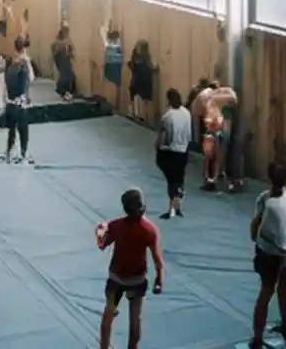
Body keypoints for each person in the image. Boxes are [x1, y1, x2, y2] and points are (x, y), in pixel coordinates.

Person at [96, 188, 164, 349]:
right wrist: (159, 279)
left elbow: (101, 244)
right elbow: (157, 259)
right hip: (137, 278)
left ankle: (104, 347)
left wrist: (99, 230)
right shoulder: (149, 230)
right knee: (135, 319)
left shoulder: (116, 226)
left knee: (109, 313)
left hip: (116, 277)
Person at [249, 162, 286, 347]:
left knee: (283, 284)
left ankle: (285, 324)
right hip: (270, 256)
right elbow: (255, 229)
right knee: (267, 291)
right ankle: (257, 338)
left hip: (281, 253)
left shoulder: (284, 198)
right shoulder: (269, 203)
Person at [194, 82, 239, 191]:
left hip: (215, 128)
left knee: (209, 155)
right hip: (225, 128)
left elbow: (200, 112)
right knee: (220, 154)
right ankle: (215, 177)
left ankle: (208, 178)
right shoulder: (227, 96)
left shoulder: (209, 98)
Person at [155, 88, 192, 219]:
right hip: (184, 149)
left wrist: (159, 147)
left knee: (172, 181)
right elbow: (189, 133)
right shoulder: (187, 113)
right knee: (179, 178)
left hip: (172, 151)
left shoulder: (168, 116)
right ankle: (177, 205)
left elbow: (166, 136)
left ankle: (172, 207)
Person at [3, 37, 35, 164]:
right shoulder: (23, 64)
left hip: (10, 102)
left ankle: (9, 153)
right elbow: (31, 78)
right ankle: (23, 153)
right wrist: (28, 62)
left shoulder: (10, 63)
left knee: (12, 130)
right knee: (23, 130)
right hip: (21, 103)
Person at [51, 23, 77, 101]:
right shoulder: (61, 40)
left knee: (68, 74)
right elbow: (54, 49)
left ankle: (66, 91)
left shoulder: (65, 40)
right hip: (61, 59)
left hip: (64, 59)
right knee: (65, 74)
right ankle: (64, 91)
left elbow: (70, 49)